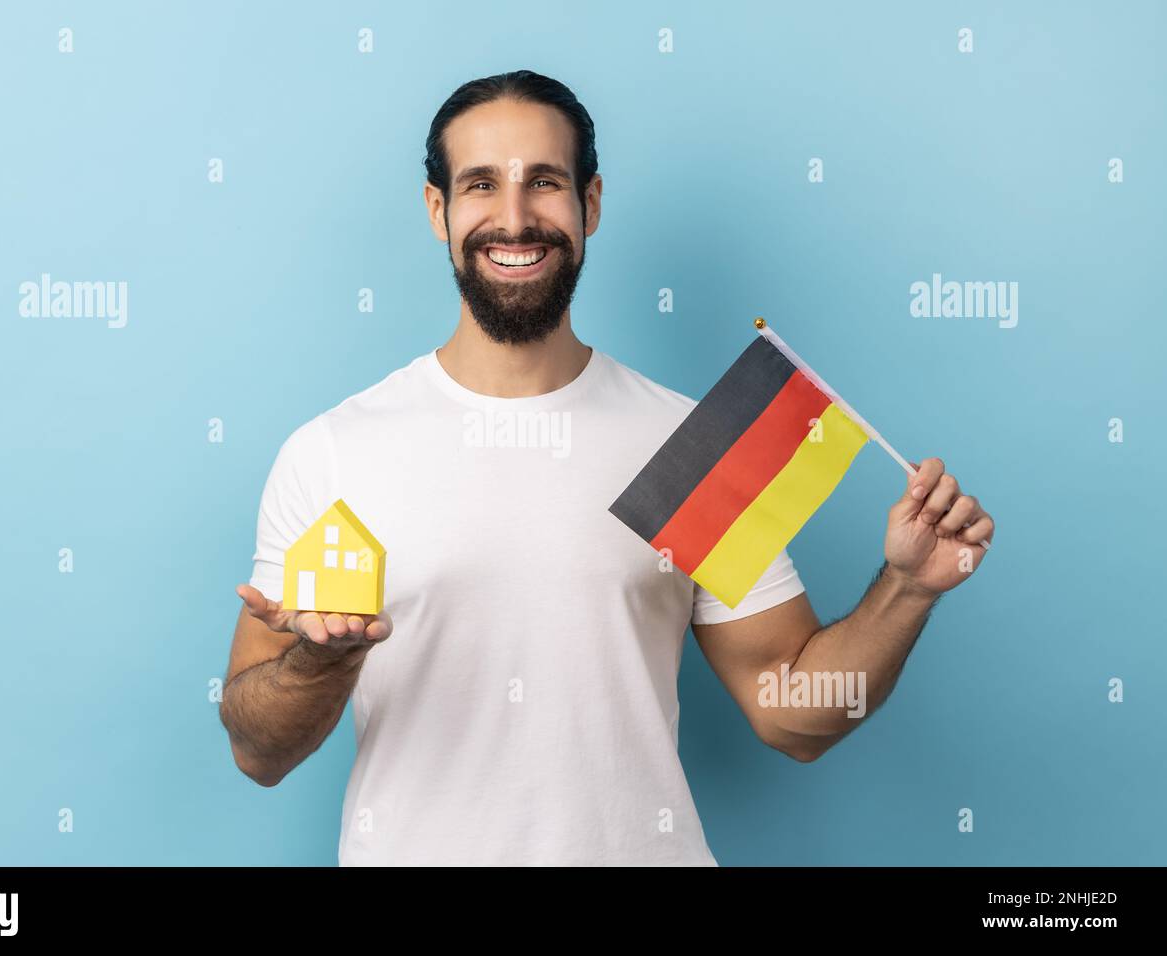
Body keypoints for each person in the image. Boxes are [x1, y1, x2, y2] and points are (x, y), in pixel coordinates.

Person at [218, 70, 994, 866]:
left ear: (590, 204)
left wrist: (908, 588)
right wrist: (322, 660)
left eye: (544, 183)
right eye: (481, 184)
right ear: (437, 209)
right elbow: (258, 751)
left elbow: (791, 712)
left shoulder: (691, 443)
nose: (514, 218)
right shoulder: (336, 452)